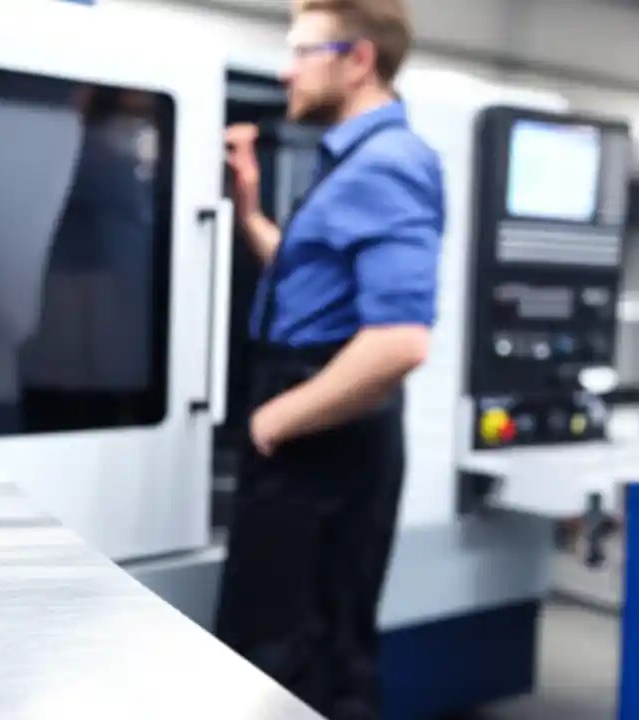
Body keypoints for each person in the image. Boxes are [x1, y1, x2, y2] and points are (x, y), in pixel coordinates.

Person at [214, 1, 445, 718]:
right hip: (316, 428)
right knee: (275, 646)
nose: (287, 69)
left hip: (324, 442)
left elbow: (400, 341)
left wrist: (273, 421)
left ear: (358, 59)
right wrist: (250, 210)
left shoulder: (389, 165)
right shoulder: (354, 159)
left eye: (303, 50)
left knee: (304, 662)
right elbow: (315, 282)